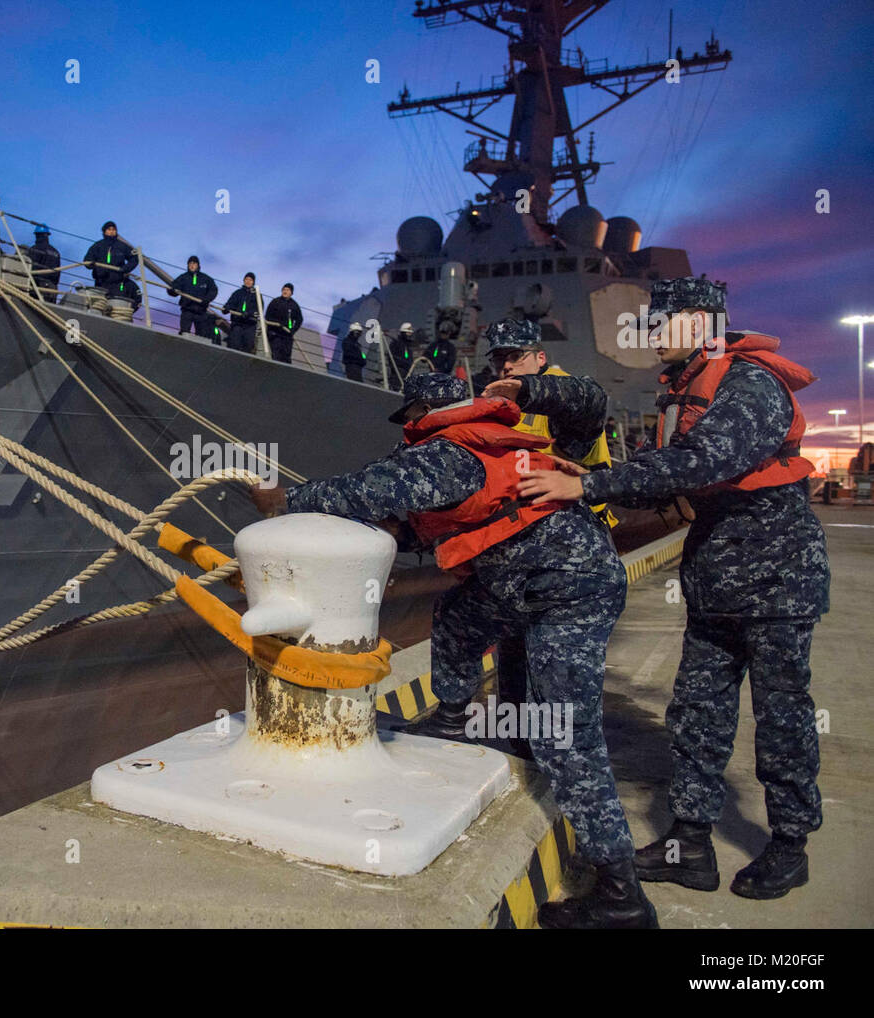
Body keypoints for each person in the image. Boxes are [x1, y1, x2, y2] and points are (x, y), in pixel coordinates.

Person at [249, 372, 654, 928]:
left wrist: (286, 498)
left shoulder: (449, 452)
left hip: (569, 591)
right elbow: (440, 520)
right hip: (520, 583)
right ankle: (454, 718)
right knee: (459, 619)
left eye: (410, 415)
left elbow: (368, 489)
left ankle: (621, 894)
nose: (407, 428)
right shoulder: (471, 452)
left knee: (565, 733)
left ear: (426, 411)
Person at [519, 276, 830, 902]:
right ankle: (690, 843)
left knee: (782, 715)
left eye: (662, 321)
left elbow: (707, 461)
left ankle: (790, 844)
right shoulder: (688, 390)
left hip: (776, 583)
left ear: (701, 321)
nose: (650, 333)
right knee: (696, 712)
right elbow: (673, 480)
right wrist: (601, 475)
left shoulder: (748, 384)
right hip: (717, 579)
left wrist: (588, 489)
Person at [480, 317, 616, 759]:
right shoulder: (506, 402)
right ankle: (521, 754)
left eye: (515, 356)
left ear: (540, 357)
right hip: (524, 546)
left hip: (575, 550)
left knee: (557, 664)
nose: (506, 366)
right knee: (514, 654)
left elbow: (586, 403)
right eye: (500, 359)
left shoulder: (565, 393)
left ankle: (560, 759)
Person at [83, 221, 141, 311]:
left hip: (117, 283)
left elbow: (134, 258)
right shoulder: (98, 246)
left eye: (114, 229)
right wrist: (92, 265)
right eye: (109, 229)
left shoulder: (122, 246)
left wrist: (125, 269)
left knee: (114, 309)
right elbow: (87, 260)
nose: (111, 231)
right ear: (104, 231)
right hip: (101, 283)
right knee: (99, 306)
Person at [168, 256, 219, 340]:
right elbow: (174, 286)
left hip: (201, 311)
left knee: (201, 336)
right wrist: (171, 290)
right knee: (184, 333)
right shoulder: (183, 277)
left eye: (194, 263)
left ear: (198, 265)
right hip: (187, 310)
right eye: (190, 263)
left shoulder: (206, 279)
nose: (192, 265)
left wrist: (207, 299)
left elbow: (213, 290)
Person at [264, 283, 303, 364]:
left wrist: (293, 330)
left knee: (286, 357)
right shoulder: (275, 302)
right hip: (275, 334)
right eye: (284, 289)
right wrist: (277, 324)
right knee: (276, 356)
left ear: (291, 293)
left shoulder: (294, 305)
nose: (285, 291)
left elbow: (299, 319)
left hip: (287, 336)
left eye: (287, 290)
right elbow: (267, 316)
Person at [222, 273, 260, 353]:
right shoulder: (238, 293)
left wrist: (249, 314)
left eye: (250, 280)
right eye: (246, 279)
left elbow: (258, 310)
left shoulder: (257, 296)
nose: (248, 281)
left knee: (247, 347)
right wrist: (226, 308)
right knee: (234, 345)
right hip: (237, 323)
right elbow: (230, 303)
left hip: (250, 326)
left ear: (253, 282)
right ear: (243, 280)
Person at [28, 224, 61, 303]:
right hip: (52, 288)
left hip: (38, 287)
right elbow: (57, 272)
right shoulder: (55, 252)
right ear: (47, 235)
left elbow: (31, 268)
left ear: (37, 235)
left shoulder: (34, 249)